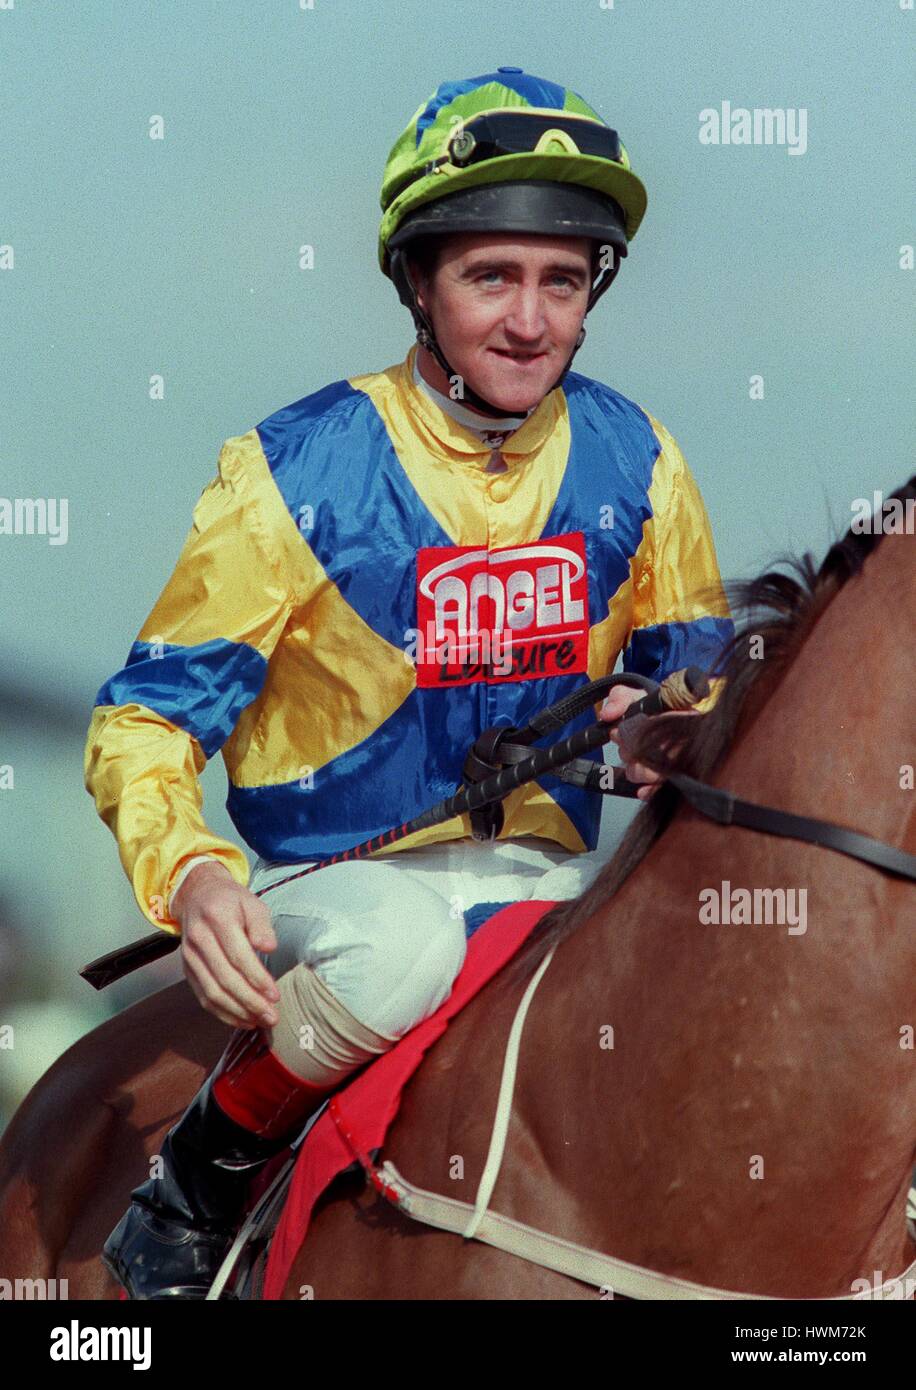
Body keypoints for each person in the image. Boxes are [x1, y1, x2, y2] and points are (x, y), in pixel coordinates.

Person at [84, 67, 734, 1299]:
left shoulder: (639, 456)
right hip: (343, 891)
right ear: (418, 284)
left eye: (562, 280)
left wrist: (667, 721)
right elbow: (148, 719)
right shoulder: (289, 468)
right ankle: (203, 1174)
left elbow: (688, 660)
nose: (531, 321)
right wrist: (195, 870)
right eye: (492, 277)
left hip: (554, 877)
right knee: (397, 963)